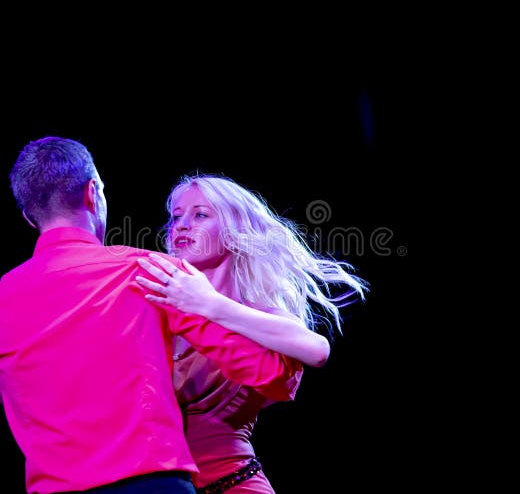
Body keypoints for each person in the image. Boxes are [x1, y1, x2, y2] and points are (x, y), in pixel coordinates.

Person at [0, 137, 302, 494]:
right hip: (156, 486)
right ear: (94, 193)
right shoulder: (152, 272)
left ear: (28, 216)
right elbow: (269, 373)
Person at [135, 174, 368, 493]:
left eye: (200, 214)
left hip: (232, 483)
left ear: (233, 231)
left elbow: (316, 350)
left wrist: (210, 304)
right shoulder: (152, 305)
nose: (182, 225)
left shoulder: (255, 314)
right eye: (176, 216)